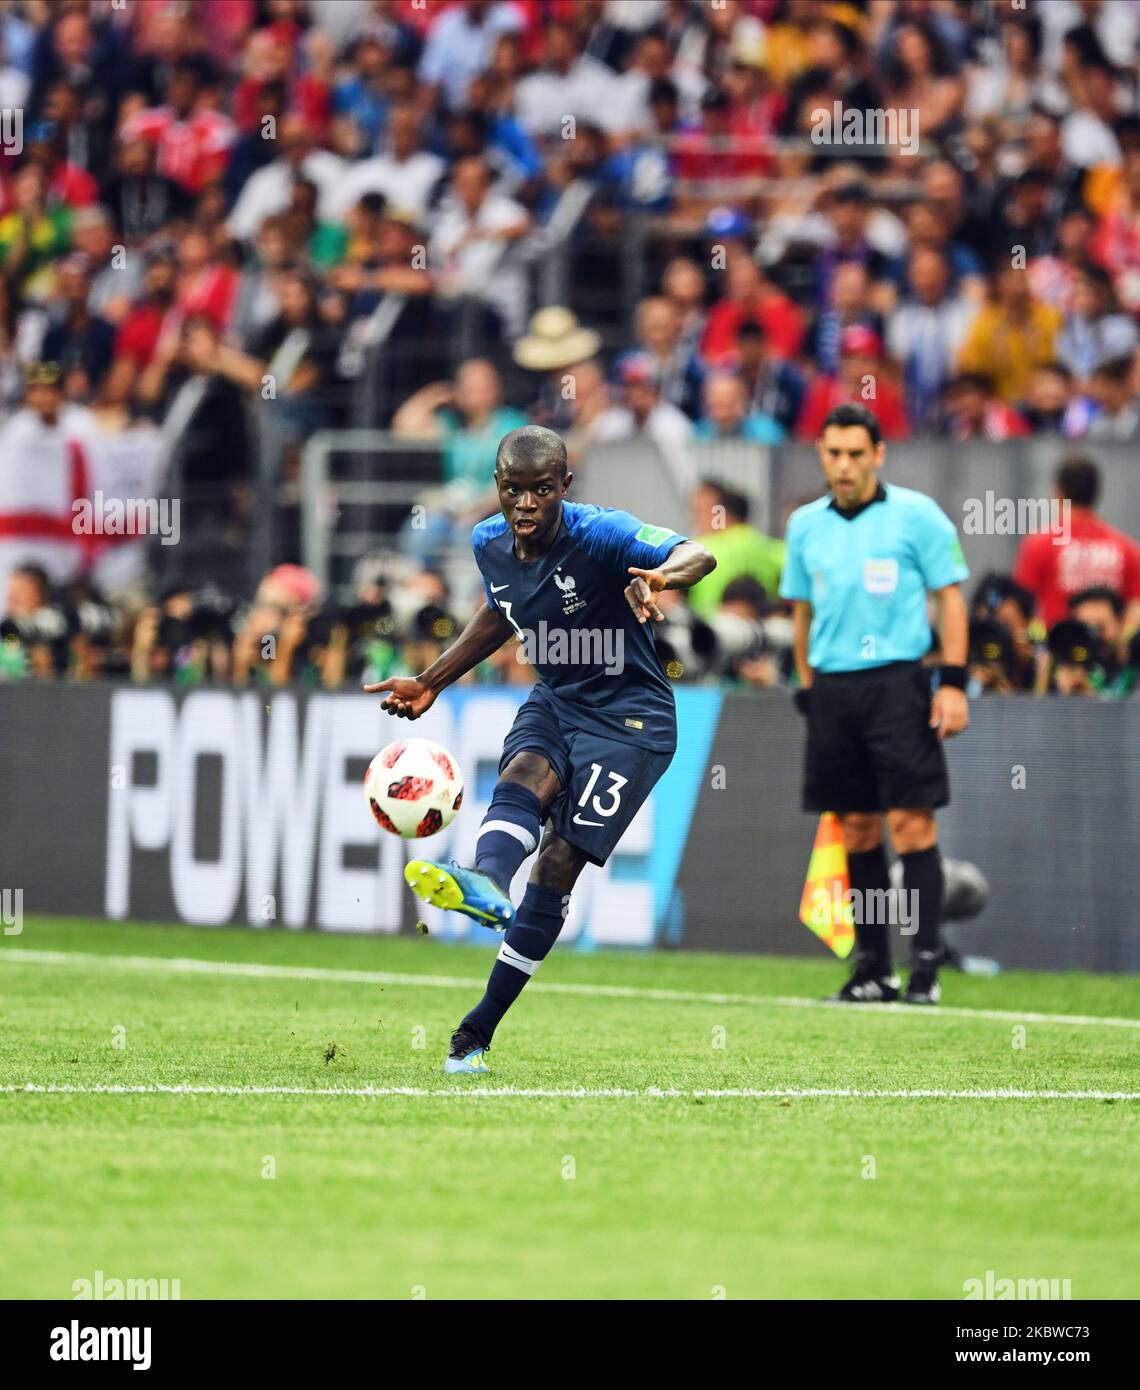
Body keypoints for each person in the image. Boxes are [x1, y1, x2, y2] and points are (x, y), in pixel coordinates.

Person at [365, 425, 715, 1073]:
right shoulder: (486, 542)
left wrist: (663, 576)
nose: (526, 504)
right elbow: (503, 612)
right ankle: (484, 882)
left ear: (565, 487)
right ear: (496, 487)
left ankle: (477, 1030)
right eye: (513, 490)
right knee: (523, 771)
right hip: (559, 696)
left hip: (632, 721)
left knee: (555, 866)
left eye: (541, 491)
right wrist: (432, 681)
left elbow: (700, 553)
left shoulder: (603, 533)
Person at [780, 403, 970, 1006]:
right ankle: (872, 970)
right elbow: (802, 613)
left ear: (879, 454)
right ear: (821, 455)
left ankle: (925, 970)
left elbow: (951, 600)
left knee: (912, 825)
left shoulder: (917, 516)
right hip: (834, 690)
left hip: (899, 685)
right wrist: (809, 682)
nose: (844, 465)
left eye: (856, 454)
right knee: (857, 829)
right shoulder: (805, 524)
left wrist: (954, 682)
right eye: (833, 453)